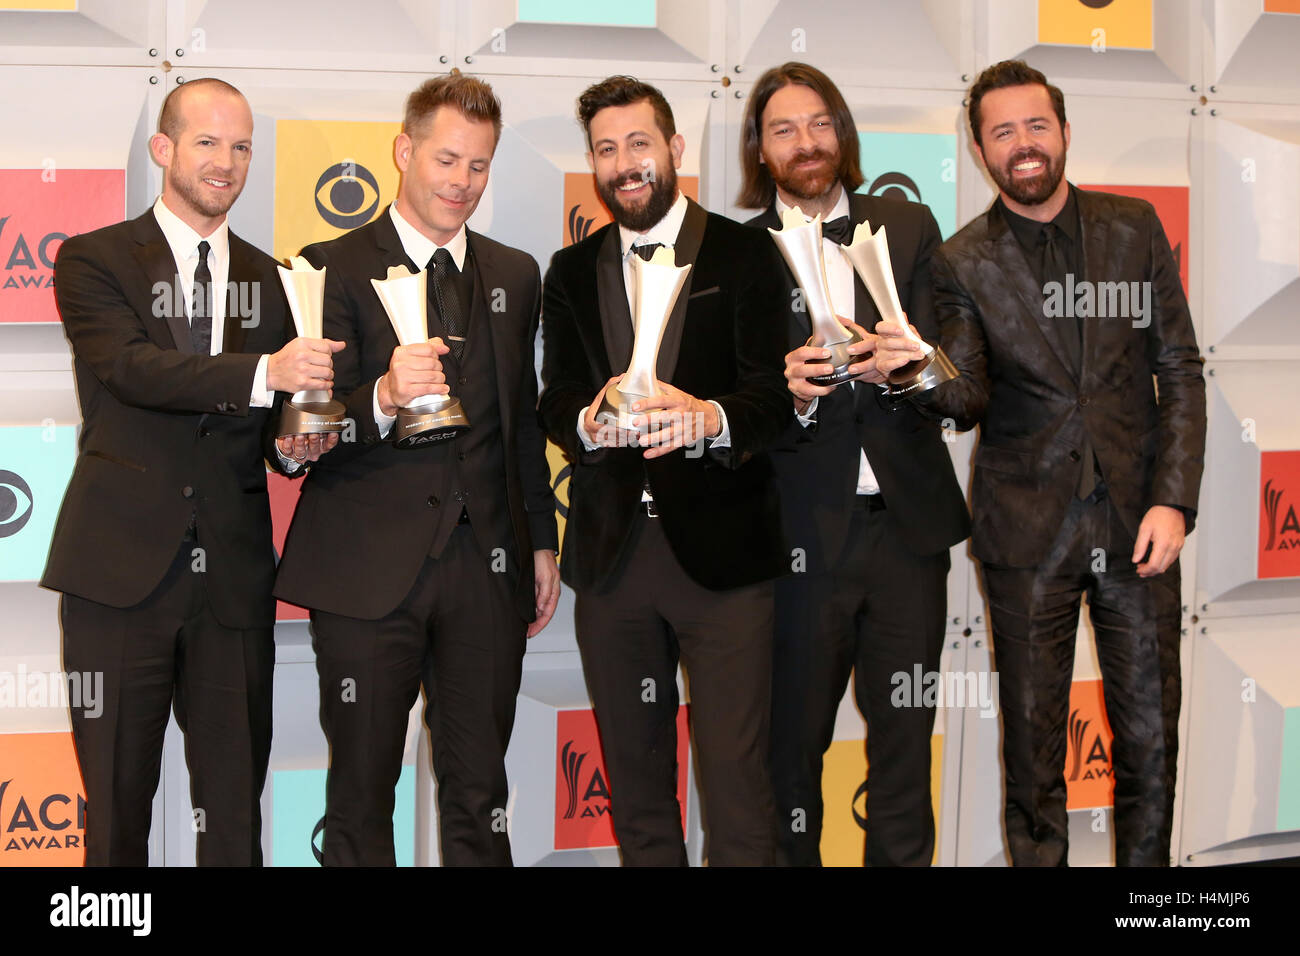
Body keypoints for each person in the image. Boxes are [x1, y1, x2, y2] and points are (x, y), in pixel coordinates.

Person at [878, 59, 1206, 866]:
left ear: (1062, 131)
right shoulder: (962, 262)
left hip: (1140, 527)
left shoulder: (1135, 227)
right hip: (1027, 536)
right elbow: (968, 399)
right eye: (1002, 132)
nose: (1022, 145)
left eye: (1035, 126)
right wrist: (916, 369)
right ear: (981, 150)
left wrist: (1176, 501)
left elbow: (1181, 369)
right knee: (1032, 757)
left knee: (1150, 741)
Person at [42, 77, 342, 865]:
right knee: (113, 819)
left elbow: (274, 431)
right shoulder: (93, 259)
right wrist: (263, 374)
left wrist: (292, 448)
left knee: (235, 817)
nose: (227, 162)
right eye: (208, 142)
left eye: (242, 146)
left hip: (233, 585)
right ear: (163, 149)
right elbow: (133, 370)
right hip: (117, 576)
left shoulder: (277, 279)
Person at [273, 74, 560, 866]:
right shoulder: (326, 267)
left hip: (486, 567)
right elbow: (299, 431)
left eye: (478, 165)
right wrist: (383, 398)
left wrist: (539, 538)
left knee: (480, 794)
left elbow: (521, 421)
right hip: (367, 574)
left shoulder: (514, 274)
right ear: (404, 152)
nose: (461, 182)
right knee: (361, 796)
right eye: (446, 159)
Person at [538, 75, 791, 866]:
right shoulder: (570, 270)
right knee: (638, 792)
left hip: (726, 563)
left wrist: (707, 416)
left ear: (675, 148)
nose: (625, 164)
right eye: (607, 150)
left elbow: (775, 399)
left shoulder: (748, 253)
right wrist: (588, 418)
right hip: (612, 563)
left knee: (737, 789)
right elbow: (555, 400)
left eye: (639, 143)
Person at [738, 62, 970, 866]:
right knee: (790, 755)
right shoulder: (732, 251)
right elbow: (726, 416)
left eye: (819, 123)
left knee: (906, 751)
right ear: (760, 151)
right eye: (784, 129)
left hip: (908, 536)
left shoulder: (908, 227)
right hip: (797, 544)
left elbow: (960, 383)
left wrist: (913, 366)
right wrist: (791, 395)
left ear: (842, 131)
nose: (806, 142)